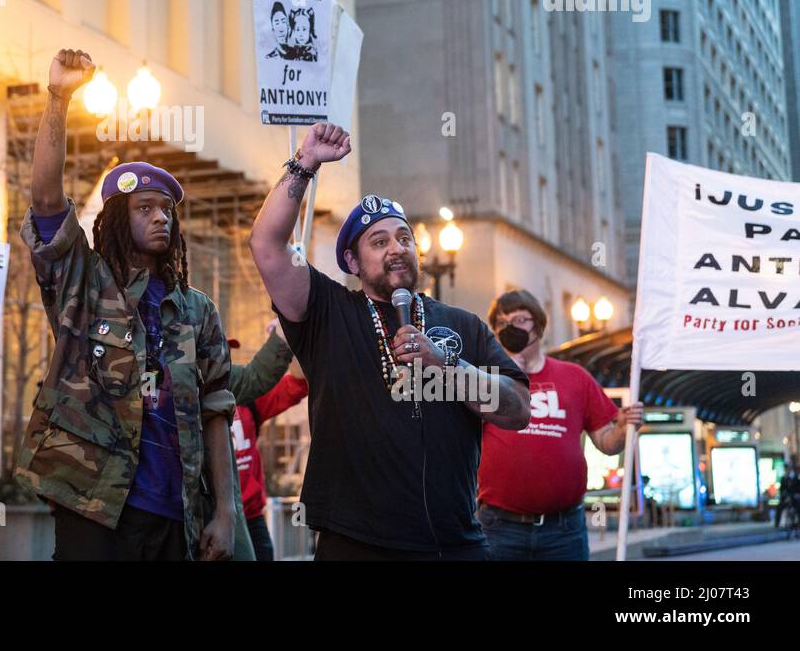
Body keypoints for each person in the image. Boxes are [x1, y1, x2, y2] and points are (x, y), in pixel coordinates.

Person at [247, 122, 530, 560]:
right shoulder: (328, 311)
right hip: (356, 544)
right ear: (352, 262)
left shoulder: (463, 324)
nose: (396, 248)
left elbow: (516, 410)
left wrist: (447, 366)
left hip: (454, 544)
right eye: (378, 242)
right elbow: (266, 244)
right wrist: (305, 164)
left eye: (404, 238)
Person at [18, 48, 236, 561]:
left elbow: (217, 414)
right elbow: (46, 199)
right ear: (118, 217)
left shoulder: (198, 310)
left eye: (167, 210)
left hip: (175, 515)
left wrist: (225, 513)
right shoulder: (84, 284)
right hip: (92, 505)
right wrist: (58, 98)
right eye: (146, 208)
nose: (162, 218)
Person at [475, 290, 643, 560]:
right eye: (502, 323)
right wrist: (505, 376)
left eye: (519, 320)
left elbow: (606, 442)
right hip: (499, 527)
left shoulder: (574, 377)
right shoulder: (486, 380)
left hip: (563, 530)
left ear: (539, 326)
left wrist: (624, 429)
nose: (510, 329)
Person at [230, 320, 307, 561]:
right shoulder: (189, 402)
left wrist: (290, 340)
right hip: (210, 519)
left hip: (252, 520)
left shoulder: (248, 400)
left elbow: (297, 383)